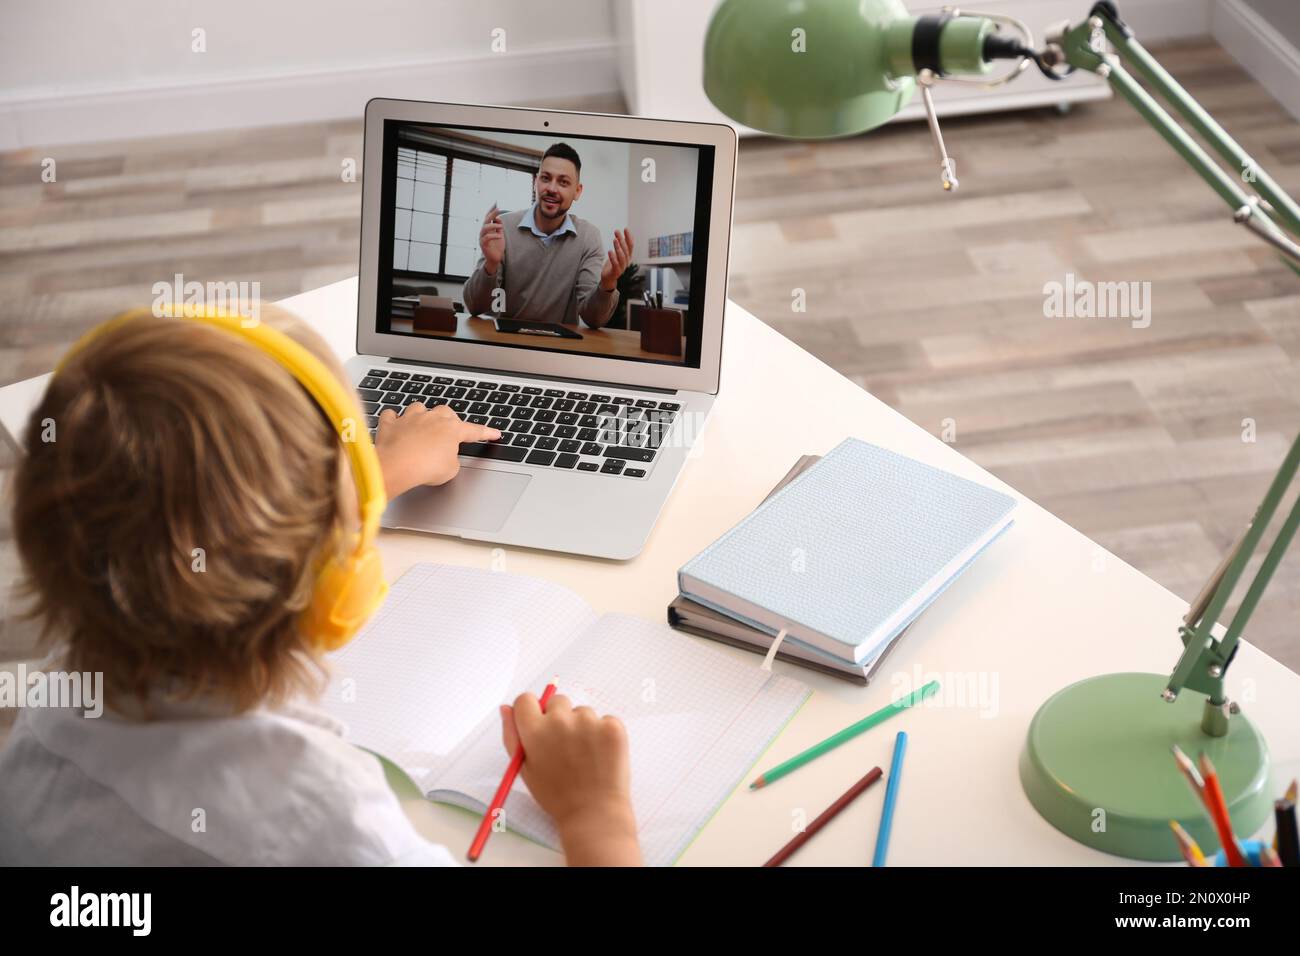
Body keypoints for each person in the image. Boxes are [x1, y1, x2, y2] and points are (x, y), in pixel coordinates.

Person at [0, 305, 642, 866]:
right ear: (337, 579)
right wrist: (597, 817)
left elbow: (187, 523)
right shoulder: (331, 826)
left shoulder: (62, 702)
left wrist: (375, 479)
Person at [463, 142, 633, 328]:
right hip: (507, 345)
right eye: (546, 178)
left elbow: (593, 319)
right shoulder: (504, 227)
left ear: (577, 191)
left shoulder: (588, 237)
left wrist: (607, 283)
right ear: (537, 182)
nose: (552, 188)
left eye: (563, 182)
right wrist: (491, 265)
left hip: (559, 351)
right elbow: (475, 307)